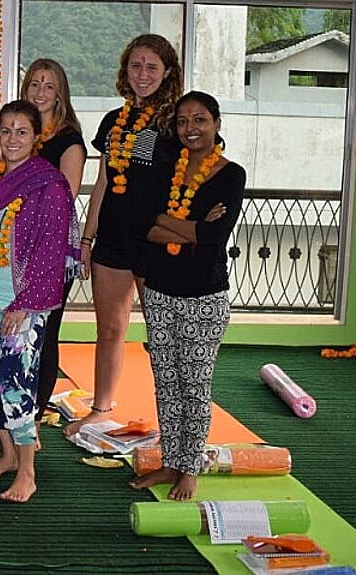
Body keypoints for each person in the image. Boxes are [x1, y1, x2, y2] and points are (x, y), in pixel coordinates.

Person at [0, 100, 74, 503]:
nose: (12, 139)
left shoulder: (49, 185)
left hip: (22, 305)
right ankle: (8, 456)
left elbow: (51, 251)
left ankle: (27, 472)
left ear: (36, 136)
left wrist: (24, 305)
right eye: (5, 130)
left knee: (15, 385)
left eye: (21, 131)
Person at [131, 91, 245, 501]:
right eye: (182, 122)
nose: (190, 129)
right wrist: (185, 225)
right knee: (166, 381)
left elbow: (215, 235)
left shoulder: (231, 175)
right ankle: (171, 461)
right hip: (160, 290)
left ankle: (191, 468)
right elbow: (143, 226)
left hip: (204, 295)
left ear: (216, 123)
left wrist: (173, 224)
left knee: (194, 384)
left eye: (199, 120)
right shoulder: (166, 171)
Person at [67, 34, 183, 436]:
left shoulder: (175, 121)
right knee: (110, 330)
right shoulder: (113, 120)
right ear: (125, 71)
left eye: (152, 66)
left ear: (168, 71)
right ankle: (100, 407)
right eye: (136, 65)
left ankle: (175, 418)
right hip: (113, 239)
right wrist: (86, 238)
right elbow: (101, 183)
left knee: (163, 333)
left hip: (156, 241)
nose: (143, 74)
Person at [0, 58, 86, 441]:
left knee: (41, 336)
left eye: (49, 85)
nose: (40, 91)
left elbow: (63, 205)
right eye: (34, 84)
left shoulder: (68, 141)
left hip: (46, 255)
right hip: (4, 261)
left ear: (60, 95)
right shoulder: (13, 137)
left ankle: (31, 419)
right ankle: (7, 421)